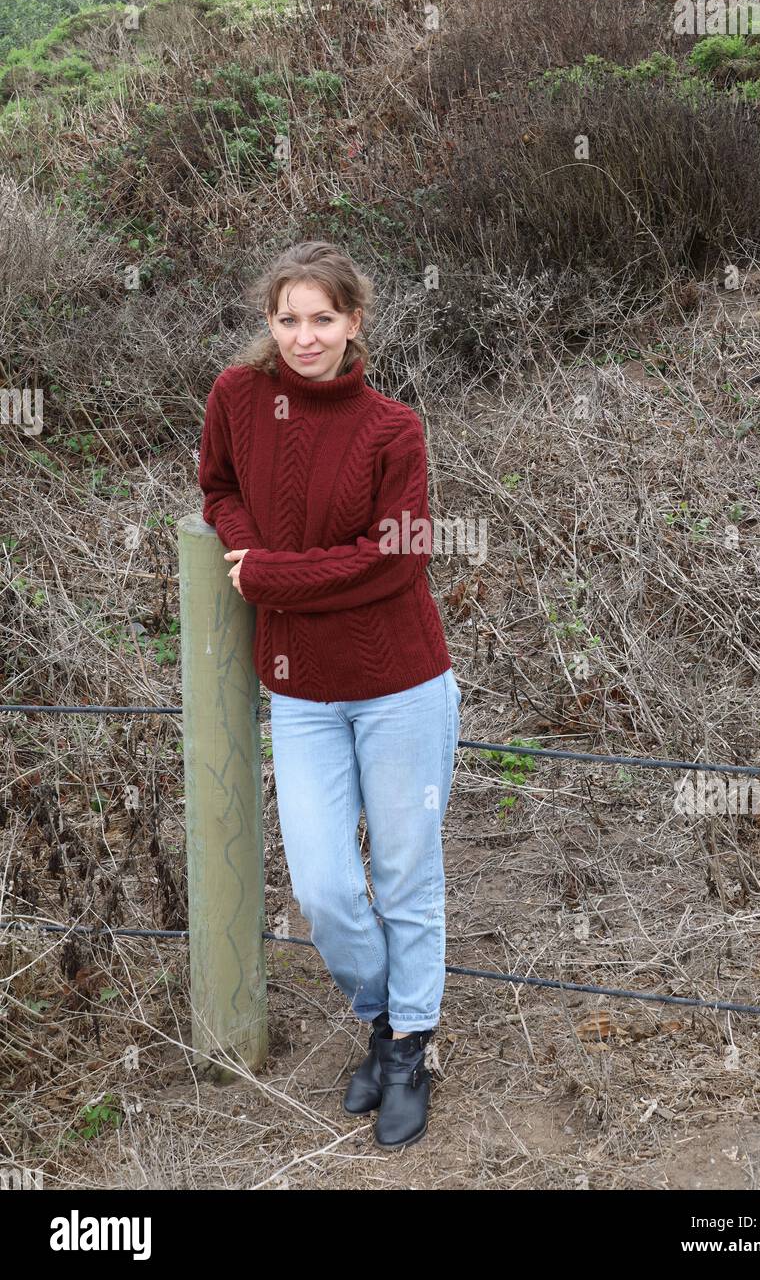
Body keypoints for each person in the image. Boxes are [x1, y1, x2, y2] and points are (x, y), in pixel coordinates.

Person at [197, 240, 462, 1150]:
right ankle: (389, 1014)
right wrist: (241, 542)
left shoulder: (395, 429)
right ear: (268, 323)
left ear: (355, 323)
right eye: (288, 319)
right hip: (300, 690)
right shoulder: (237, 399)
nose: (304, 337)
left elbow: (399, 557)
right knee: (323, 887)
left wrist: (266, 575)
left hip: (402, 686)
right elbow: (219, 488)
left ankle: (407, 1050)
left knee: (403, 874)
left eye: (323, 318)